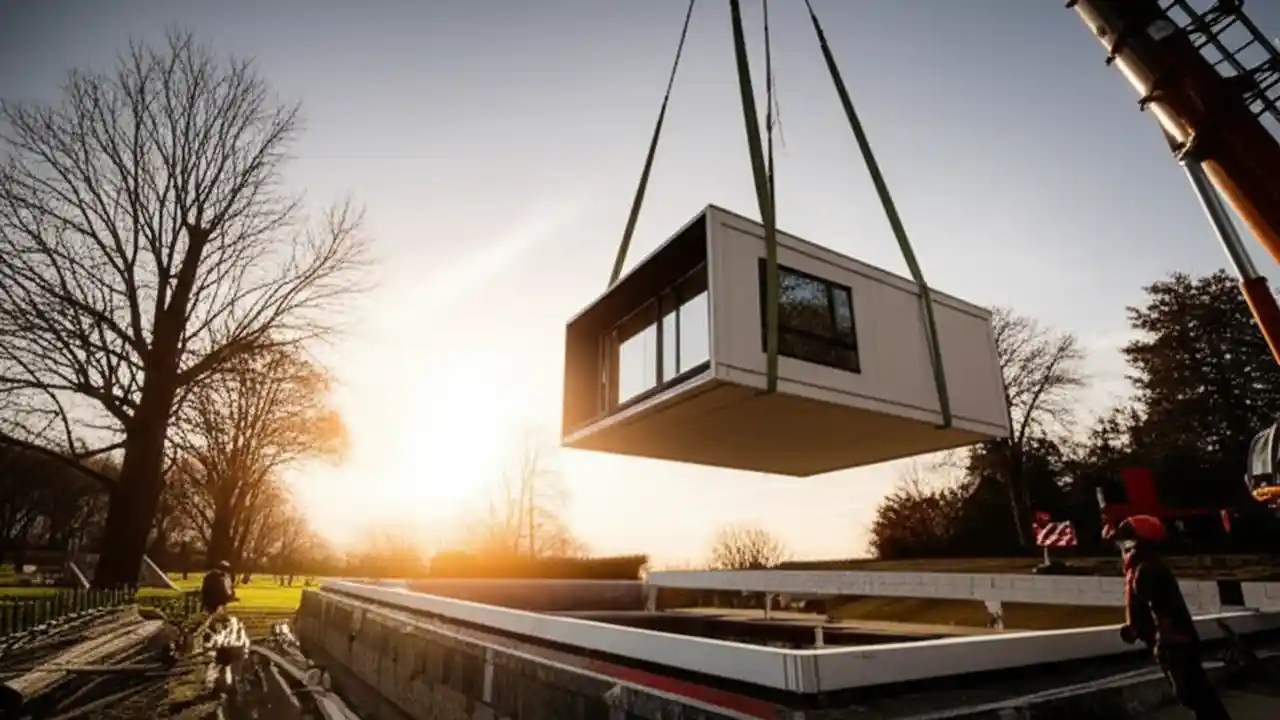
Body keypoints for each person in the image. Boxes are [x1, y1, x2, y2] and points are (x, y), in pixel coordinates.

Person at [1111, 515, 1232, 720]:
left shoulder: (1146, 571)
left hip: (1175, 644)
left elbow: (1162, 610)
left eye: (1129, 541)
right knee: (1197, 696)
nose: (1124, 548)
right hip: (1176, 643)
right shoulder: (1146, 569)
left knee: (1193, 695)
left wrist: (1163, 641)